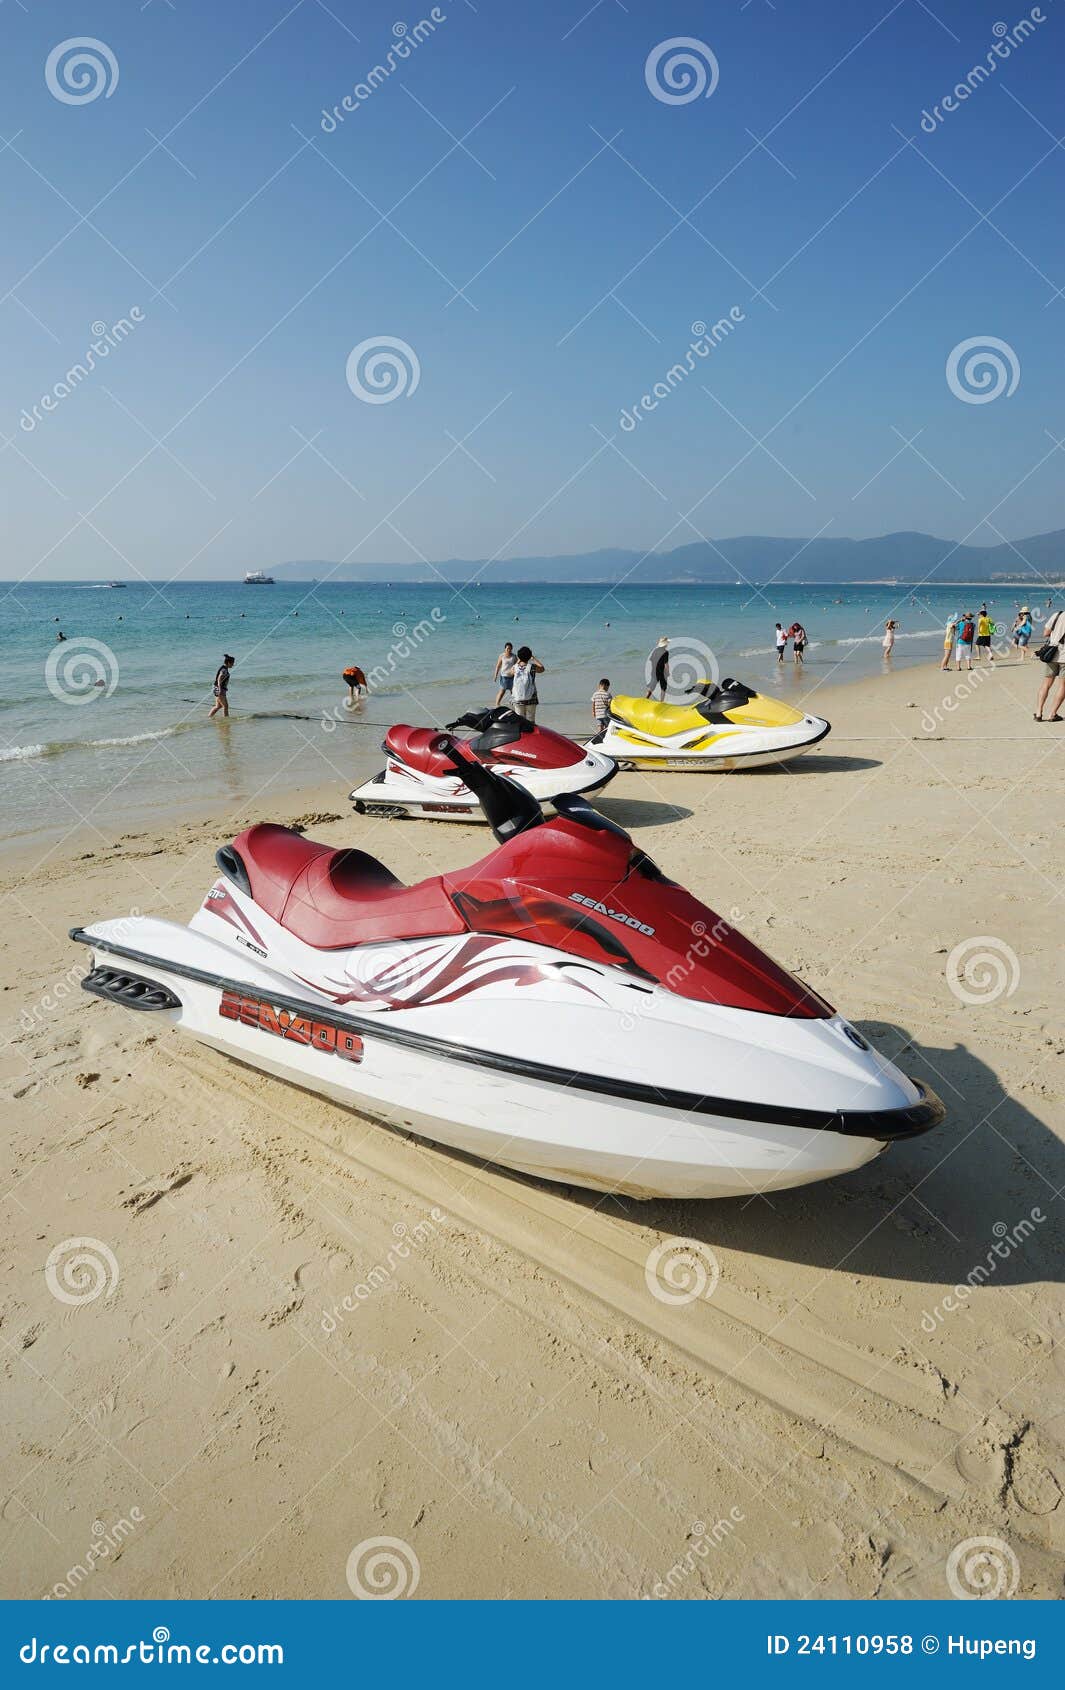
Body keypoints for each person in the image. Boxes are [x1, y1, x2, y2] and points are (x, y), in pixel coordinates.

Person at [1034, 607, 1065, 722]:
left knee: (1046, 684)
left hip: (1052, 654)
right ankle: (1052, 714)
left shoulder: (1057, 614)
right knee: (1063, 686)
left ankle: (1038, 713)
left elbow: (1045, 633)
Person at [510, 646, 544, 722]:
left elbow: (510, 673)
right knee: (531, 721)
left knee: (520, 721)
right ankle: (531, 733)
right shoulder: (532, 667)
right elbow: (542, 668)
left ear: (519, 656)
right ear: (529, 656)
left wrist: (518, 661)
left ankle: (521, 733)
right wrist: (533, 658)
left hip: (517, 699)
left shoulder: (515, 668)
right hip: (531, 698)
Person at [209, 654, 235, 718]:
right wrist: (220, 689)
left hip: (218, 688)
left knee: (218, 706)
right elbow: (219, 679)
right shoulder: (224, 670)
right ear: (228, 663)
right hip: (219, 689)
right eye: (232, 663)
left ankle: (209, 717)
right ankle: (226, 720)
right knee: (225, 706)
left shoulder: (224, 668)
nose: (233, 665)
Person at [493, 641, 516, 706]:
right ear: (505, 648)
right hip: (504, 676)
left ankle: (514, 703)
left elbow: (516, 665)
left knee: (513, 691)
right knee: (502, 691)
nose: (509, 650)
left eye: (510, 648)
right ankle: (497, 704)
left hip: (512, 676)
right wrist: (495, 676)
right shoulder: (502, 656)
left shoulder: (514, 656)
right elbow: (498, 666)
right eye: (507, 648)